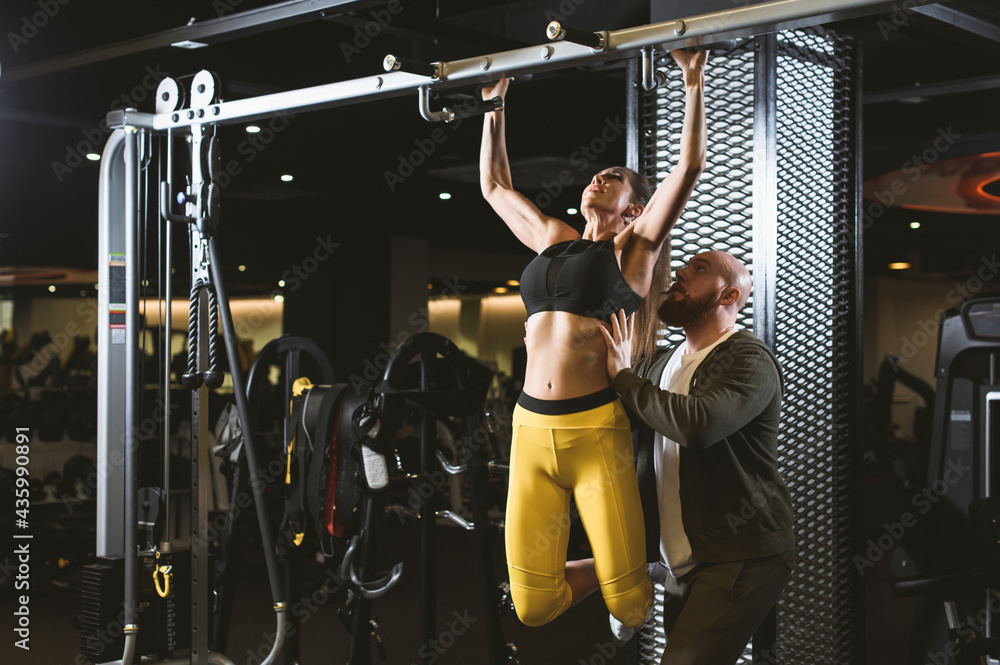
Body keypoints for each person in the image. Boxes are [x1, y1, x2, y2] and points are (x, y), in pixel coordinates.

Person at [479, 49, 707, 629]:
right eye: (596, 173)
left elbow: (687, 171)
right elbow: (494, 187)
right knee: (531, 607)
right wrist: (494, 105)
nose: (597, 177)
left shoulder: (634, 251)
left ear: (633, 207)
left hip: (594, 431)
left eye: (614, 178)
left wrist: (693, 79)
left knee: (630, 607)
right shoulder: (554, 238)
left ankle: (640, 571)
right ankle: (614, 567)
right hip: (529, 429)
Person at [598, 250, 795, 664]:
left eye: (700, 269)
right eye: (685, 265)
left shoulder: (747, 358)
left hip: (739, 553)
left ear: (729, 296)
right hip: (680, 561)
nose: (683, 272)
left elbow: (697, 425)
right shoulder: (662, 365)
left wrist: (623, 377)